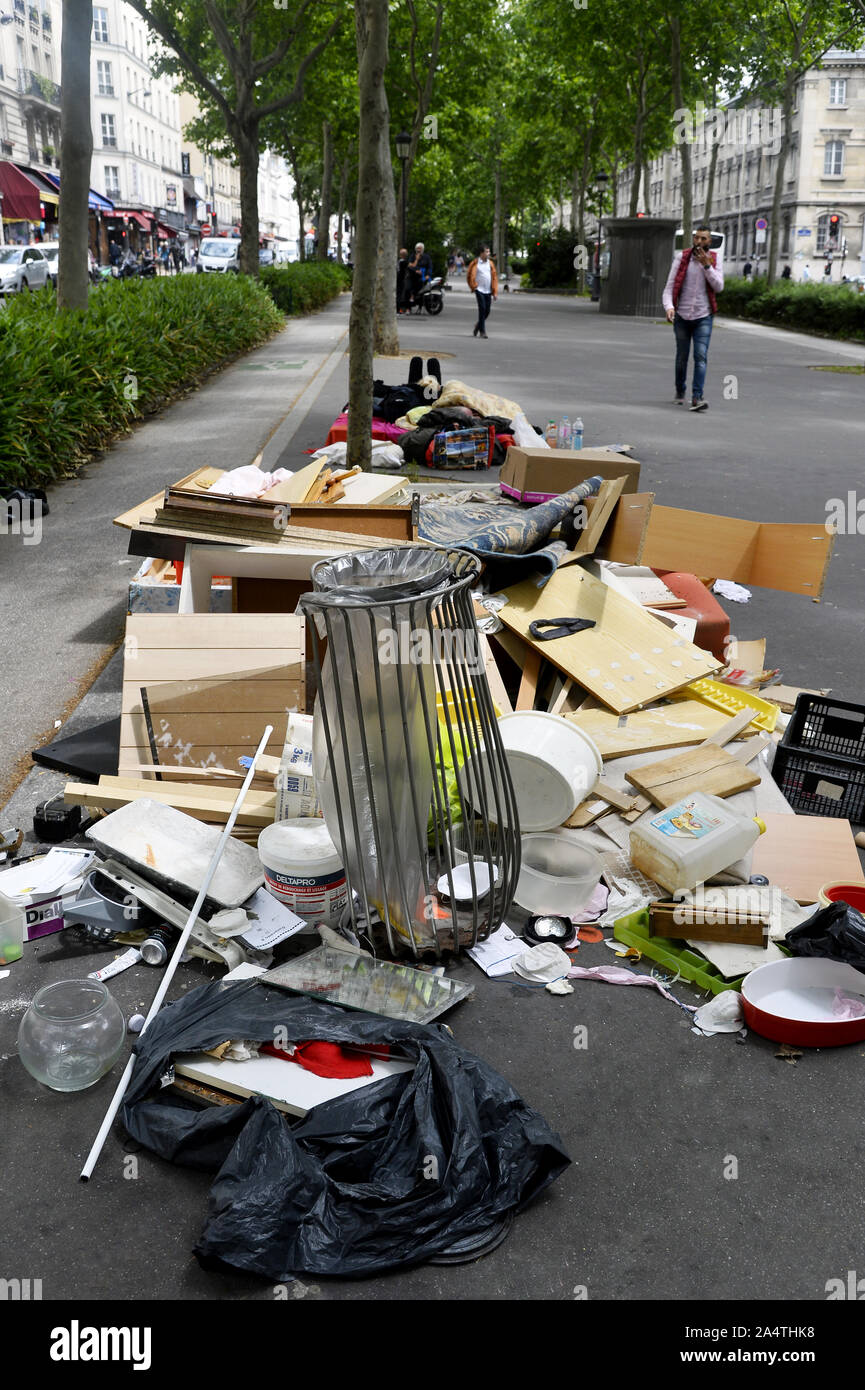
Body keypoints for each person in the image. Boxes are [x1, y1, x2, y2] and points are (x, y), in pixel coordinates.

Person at [661, 223, 724, 412]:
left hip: (703, 316)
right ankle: (680, 391)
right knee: (682, 357)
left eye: (703, 238)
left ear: (709, 242)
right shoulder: (682, 258)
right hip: (682, 315)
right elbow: (669, 286)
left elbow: (719, 286)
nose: (699, 241)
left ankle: (697, 397)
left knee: (700, 356)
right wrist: (669, 307)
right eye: (696, 237)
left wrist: (707, 267)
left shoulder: (714, 259)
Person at [467, 244, 498, 338]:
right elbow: (469, 276)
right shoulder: (475, 263)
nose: (488, 254)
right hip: (479, 289)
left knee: (487, 310)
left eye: (489, 252)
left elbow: (494, 278)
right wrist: (473, 286)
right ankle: (482, 331)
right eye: (486, 252)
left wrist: (495, 291)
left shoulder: (490, 263)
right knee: (482, 309)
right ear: (481, 253)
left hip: (488, 290)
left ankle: (478, 325)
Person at [405, 242, 432, 307]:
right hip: (413, 275)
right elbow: (409, 265)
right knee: (407, 288)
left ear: (422, 249)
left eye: (420, 248)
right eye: (417, 248)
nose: (418, 250)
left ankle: (414, 296)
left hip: (423, 275)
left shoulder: (427, 257)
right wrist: (416, 270)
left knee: (420, 283)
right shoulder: (412, 256)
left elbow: (430, 267)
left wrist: (428, 275)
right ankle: (409, 302)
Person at [396, 247, 409, 312]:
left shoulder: (398, 261)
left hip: (397, 278)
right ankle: (399, 309)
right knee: (400, 294)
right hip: (401, 280)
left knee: (398, 293)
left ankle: (398, 308)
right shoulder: (405, 262)